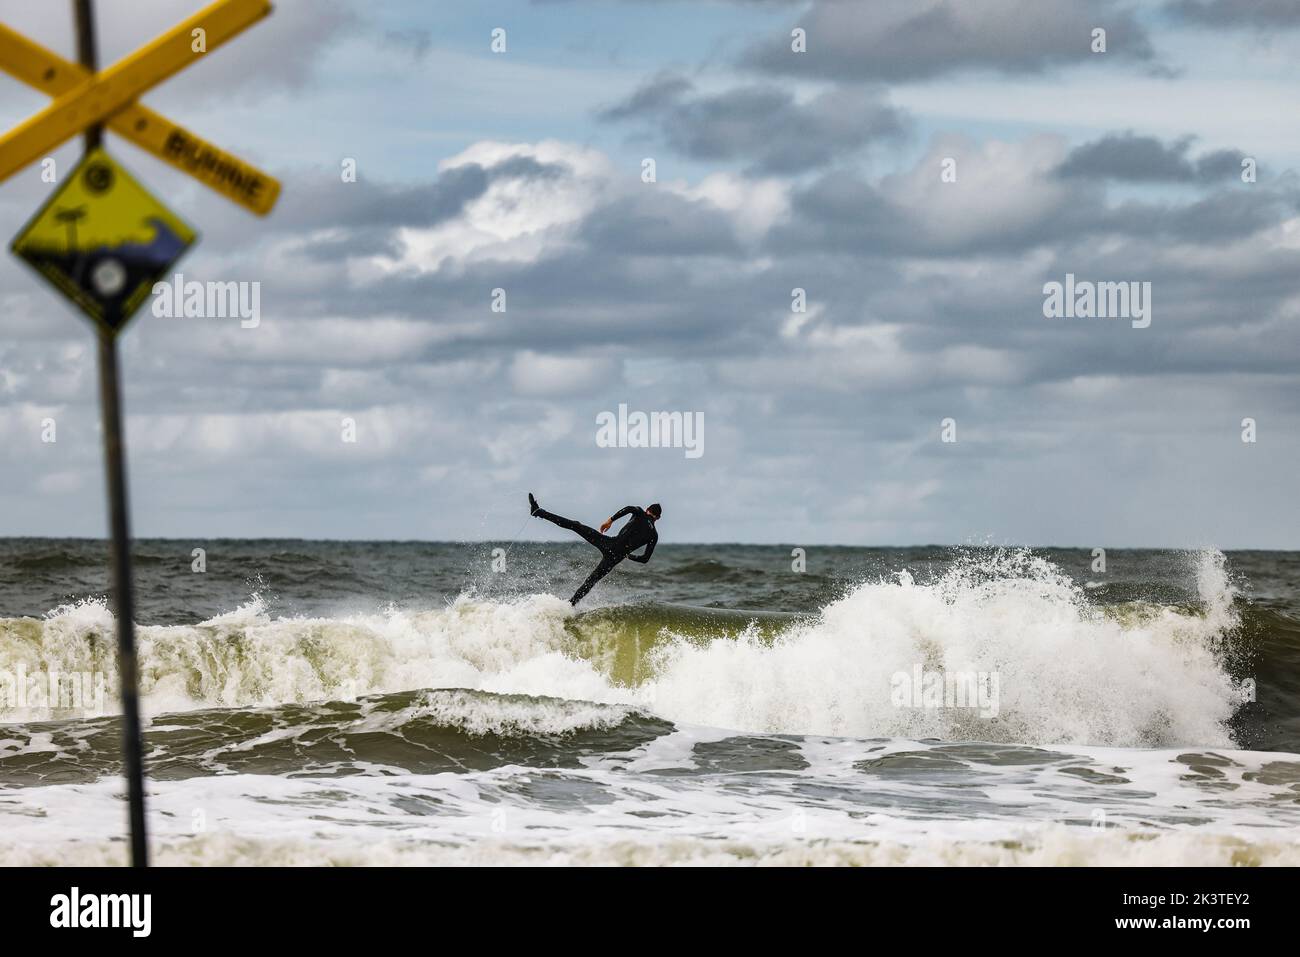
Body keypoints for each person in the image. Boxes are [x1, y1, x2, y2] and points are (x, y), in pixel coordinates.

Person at [529, 493, 660, 605]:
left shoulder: (639, 512)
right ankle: (570, 605)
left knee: (575, 526)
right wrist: (627, 556)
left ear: (647, 509)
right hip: (615, 558)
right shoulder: (654, 535)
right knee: (591, 582)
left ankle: (539, 512)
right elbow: (644, 559)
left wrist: (610, 520)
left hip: (608, 543)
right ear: (657, 518)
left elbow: (629, 508)